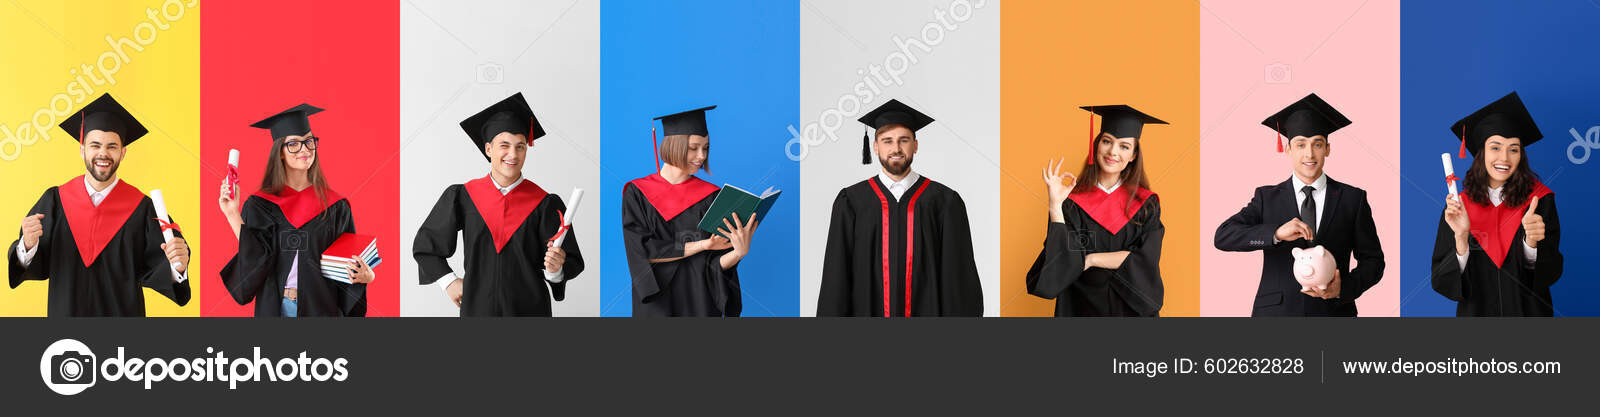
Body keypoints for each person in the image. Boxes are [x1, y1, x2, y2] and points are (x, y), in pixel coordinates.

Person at [6, 93, 191, 316]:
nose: (103, 153)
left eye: (112, 146)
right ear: (82, 149)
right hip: (66, 337)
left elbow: (166, 264)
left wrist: (178, 265)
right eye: (95, 145)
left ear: (123, 153)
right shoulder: (55, 201)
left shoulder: (142, 209)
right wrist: (27, 244)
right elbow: (32, 265)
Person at [413, 93, 584, 316]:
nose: (513, 154)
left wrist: (555, 270)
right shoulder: (463, 196)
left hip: (530, 312)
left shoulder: (545, 203)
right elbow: (426, 247)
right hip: (477, 310)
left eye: (520, 146)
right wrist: (449, 282)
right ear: (488, 149)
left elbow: (568, 263)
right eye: (504, 145)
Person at [1214, 93, 1384, 316]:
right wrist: (1274, 234)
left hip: (1334, 314)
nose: (1309, 153)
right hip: (1277, 315)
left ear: (1328, 149)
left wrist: (1343, 288)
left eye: (1317, 144)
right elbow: (1223, 236)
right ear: (1288, 149)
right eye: (1301, 144)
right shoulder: (1267, 198)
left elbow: (1374, 261)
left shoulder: (1353, 199)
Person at [817, 99, 983, 316]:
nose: (895, 148)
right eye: (887, 141)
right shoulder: (852, 202)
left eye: (903, 140)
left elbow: (958, 281)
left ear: (915, 145)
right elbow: (836, 278)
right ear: (875, 147)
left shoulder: (944, 202)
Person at [218, 103, 372, 317]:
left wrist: (365, 277)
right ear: (279, 152)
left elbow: (346, 269)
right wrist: (232, 213)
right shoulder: (260, 205)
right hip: (276, 309)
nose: (305, 149)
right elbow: (254, 267)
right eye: (293, 144)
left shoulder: (335, 207)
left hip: (322, 311)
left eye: (309, 141)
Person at [1026, 105, 1166, 316]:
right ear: (1097, 145)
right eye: (1107, 141)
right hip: (1081, 308)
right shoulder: (1073, 203)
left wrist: (1091, 259)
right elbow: (1063, 261)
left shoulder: (1146, 205)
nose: (1113, 152)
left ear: (1133, 155)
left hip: (1130, 312)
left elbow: (1145, 260)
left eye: (1124, 146)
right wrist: (1055, 205)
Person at [1432, 91, 1562, 316]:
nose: (1504, 158)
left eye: (1513, 149)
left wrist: (1531, 244)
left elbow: (1551, 273)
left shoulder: (1539, 200)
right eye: (1495, 147)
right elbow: (1441, 280)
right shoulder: (1457, 208)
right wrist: (1461, 238)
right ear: (1481, 153)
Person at [622, 105, 758, 316]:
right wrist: (703, 244)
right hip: (658, 307)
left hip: (700, 303)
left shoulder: (712, 197)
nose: (702, 156)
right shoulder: (638, 193)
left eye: (706, 147)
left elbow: (714, 267)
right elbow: (643, 250)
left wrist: (738, 253)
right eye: (694, 148)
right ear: (673, 145)